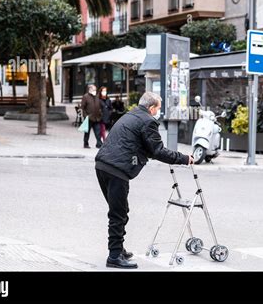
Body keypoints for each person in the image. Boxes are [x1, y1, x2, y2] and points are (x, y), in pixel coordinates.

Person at [95, 92, 194, 269]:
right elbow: (158, 151)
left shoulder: (131, 115)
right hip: (117, 169)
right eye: (158, 108)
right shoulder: (148, 121)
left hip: (102, 165)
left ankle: (119, 248)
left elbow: (143, 146)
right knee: (118, 214)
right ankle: (114, 256)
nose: (158, 112)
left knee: (121, 210)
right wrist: (184, 158)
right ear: (151, 108)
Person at [81, 85, 103, 149]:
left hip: (97, 117)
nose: (95, 91)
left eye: (95, 90)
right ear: (90, 90)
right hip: (89, 118)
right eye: (94, 90)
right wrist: (85, 116)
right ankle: (86, 143)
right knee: (87, 132)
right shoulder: (85, 97)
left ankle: (99, 144)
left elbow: (99, 105)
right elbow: (83, 107)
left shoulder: (97, 97)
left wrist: (100, 113)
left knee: (98, 132)